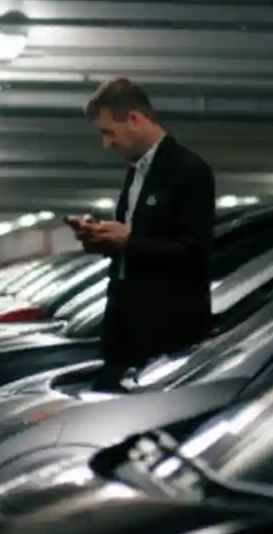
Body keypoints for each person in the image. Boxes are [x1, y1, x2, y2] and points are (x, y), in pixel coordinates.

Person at [68, 77, 216, 390]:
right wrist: (103, 239)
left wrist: (126, 240)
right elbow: (140, 243)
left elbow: (194, 252)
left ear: (134, 119)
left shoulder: (189, 171)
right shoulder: (137, 172)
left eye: (109, 133)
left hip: (165, 335)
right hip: (125, 329)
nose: (106, 144)